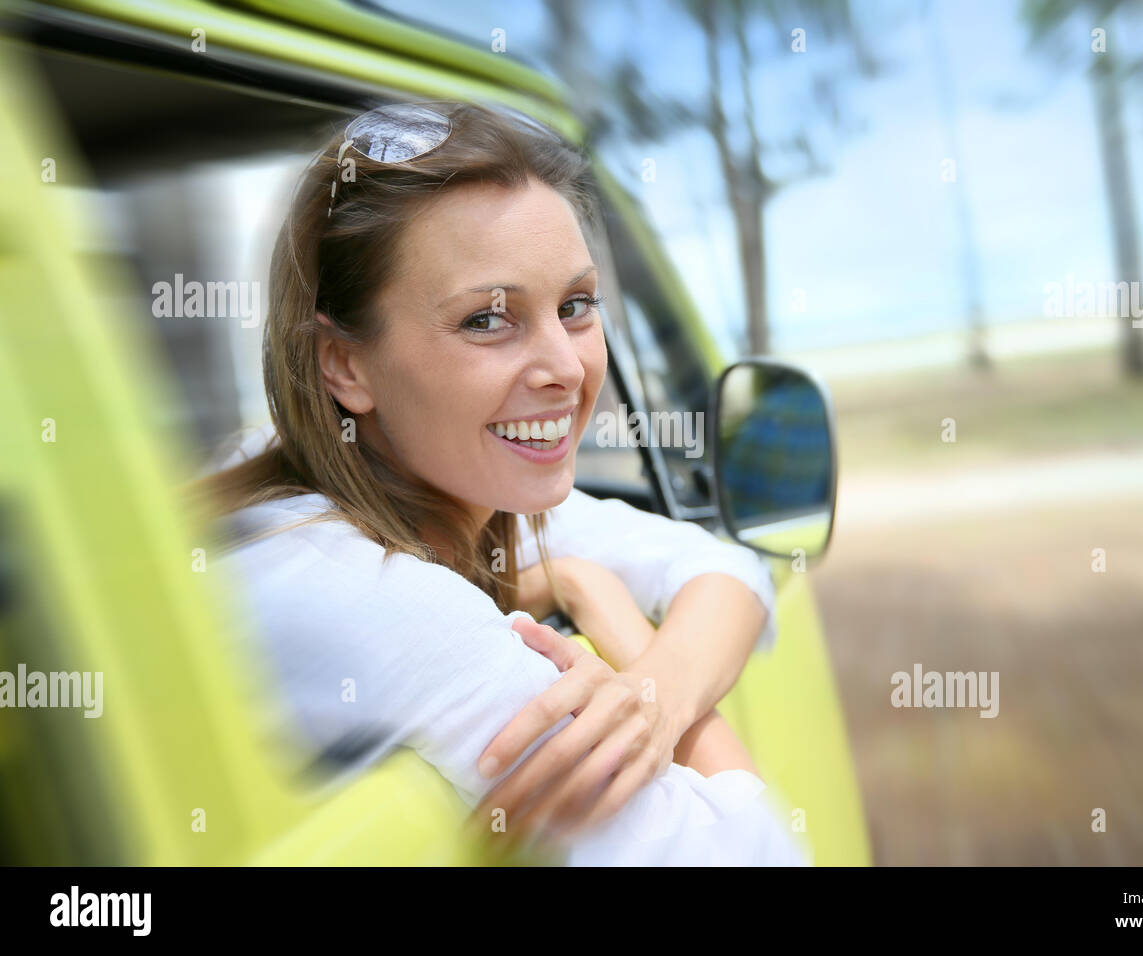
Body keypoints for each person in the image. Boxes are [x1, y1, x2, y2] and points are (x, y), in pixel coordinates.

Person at [196, 100, 808, 865]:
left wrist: (647, 686)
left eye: (576, 306)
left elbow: (728, 565)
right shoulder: (383, 601)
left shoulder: (328, 475)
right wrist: (623, 630)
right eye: (488, 319)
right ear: (344, 364)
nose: (566, 369)